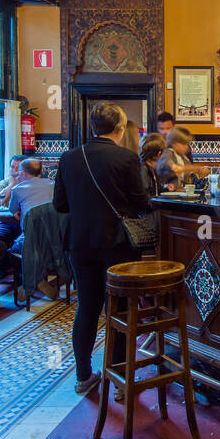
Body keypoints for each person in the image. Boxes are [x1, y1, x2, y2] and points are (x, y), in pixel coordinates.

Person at [53, 101, 151, 395]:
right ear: (120, 128)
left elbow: (60, 204)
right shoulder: (126, 159)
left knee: (86, 308)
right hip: (118, 244)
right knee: (119, 310)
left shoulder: (69, 158)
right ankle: (121, 381)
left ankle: (84, 376)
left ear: (92, 127)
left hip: (80, 243)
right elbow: (141, 204)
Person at [157, 127, 202, 192]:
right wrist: (194, 168)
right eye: (183, 144)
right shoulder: (168, 153)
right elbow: (172, 167)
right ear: (174, 144)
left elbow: (187, 178)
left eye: (187, 144)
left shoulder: (185, 158)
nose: (186, 147)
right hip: (166, 193)